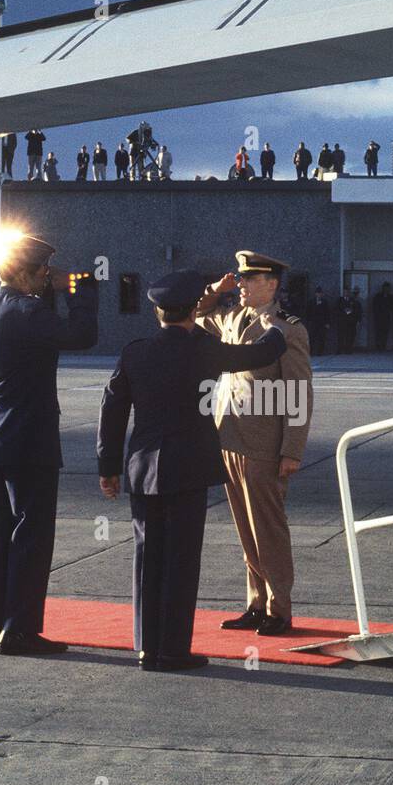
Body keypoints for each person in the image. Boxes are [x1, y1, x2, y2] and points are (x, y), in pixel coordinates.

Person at [97, 270, 289, 672]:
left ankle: (147, 648)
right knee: (181, 562)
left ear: (158, 312)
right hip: (188, 470)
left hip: (143, 470)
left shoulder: (135, 352)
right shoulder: (204, 349)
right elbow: (260, 354)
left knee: (147, 560)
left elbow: (112, 411)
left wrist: (108, 467)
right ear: (191, 313)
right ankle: (174, 650)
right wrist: (275, 328)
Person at [0, 234, 99, 656]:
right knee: (32, 537)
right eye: (42, 273)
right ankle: (20, 631)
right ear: (22, 272)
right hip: (28, 444)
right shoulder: (28, 311)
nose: (46, 280)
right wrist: (82, 291)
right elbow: (82, 335)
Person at [195, 252, 314, 637]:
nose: (242, 284)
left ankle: (280, 608)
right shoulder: (230, 318)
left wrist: (292, 450)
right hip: (228, 439)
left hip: (265, 445)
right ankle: (256, 603)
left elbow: (297, 392)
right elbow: (193, 316)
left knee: (268, 530)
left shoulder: (287, 329)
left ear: (273, 284)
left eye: (250, 279)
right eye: (241, 279)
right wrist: (216, 290)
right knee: (246, 530)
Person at [304, 286, 332, 355]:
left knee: (321, 337)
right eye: (318, 293)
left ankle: (320, 352)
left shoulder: (325, 302)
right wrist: (308, 321)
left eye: (320, 293)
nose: (319, 295)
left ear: (322, 294)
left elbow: (327, 313)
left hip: (322, 323)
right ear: (315, 294)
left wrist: (327, 323)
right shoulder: (311, 302)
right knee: (312, 337)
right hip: (313, 322)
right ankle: (310, 351)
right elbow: (307, 312)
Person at [336, 288, 362, 353]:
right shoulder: (339, 300)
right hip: (342, 321)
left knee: (350, 336)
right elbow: (336, 310)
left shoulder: (353, 300)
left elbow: (358, 310)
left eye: (347, 292)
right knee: (341, 336)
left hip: (351, 321)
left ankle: (348, 349)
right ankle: (340, 349)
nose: (346, 293)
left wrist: (353, 313)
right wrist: (343, 312)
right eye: (345, 292)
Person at [372, 281, 393, 351]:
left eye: (388, 288)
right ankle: (378, 346)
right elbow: (374, 306)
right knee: (378, 332)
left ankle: (383, 346)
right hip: (379, 317)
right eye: (385, 288)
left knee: (385, 332)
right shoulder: (378, 296)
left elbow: (392, 307)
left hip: (386, 317)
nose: (387, 289)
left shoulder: (390, 297)